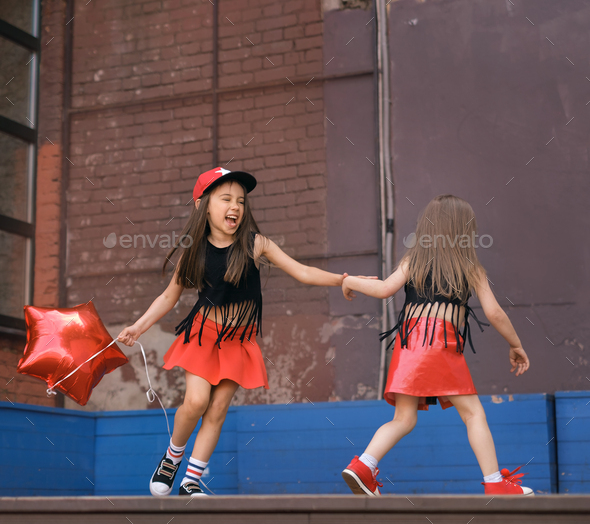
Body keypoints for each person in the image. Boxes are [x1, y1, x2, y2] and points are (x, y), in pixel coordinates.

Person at [117, 166, 347, 497]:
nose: (235, 206)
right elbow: (169, 296)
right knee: (195, 402)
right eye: (225, 198)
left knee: (218, 410)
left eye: (240, 200)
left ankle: (191, 481)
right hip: (203, 336)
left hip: (238, 343)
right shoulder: (193, 252)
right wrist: (138, 327)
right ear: (203, 205)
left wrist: (344, 280)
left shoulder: (255, 244)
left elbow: (303, 271)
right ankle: (171, 459)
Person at [340, 193, 534, 497]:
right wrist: (516, 344)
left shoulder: (412, 260)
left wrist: (350, 281)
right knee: (473, 415)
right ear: (464, 230)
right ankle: (495, 483)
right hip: (440, 343)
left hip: (408, 343)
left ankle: (364, 464)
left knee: (403, 419)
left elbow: (383, 289)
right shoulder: (470, 266)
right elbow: (495, 313)